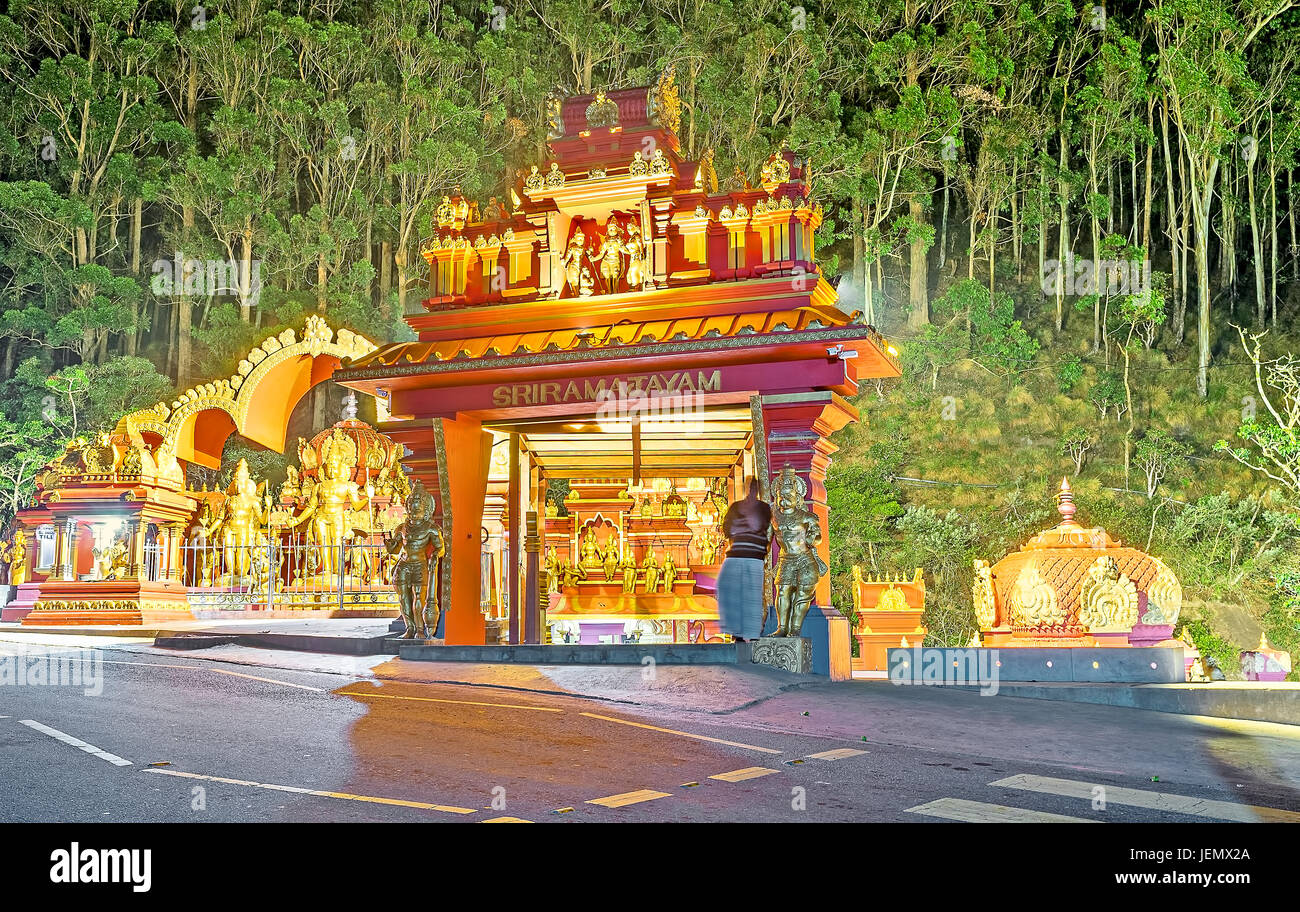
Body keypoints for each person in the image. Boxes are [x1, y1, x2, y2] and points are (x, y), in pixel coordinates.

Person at [717, 478, 771, 642]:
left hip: (754, 556)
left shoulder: (763, 508)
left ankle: (753, 635)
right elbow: (727, 529)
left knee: (752, 596)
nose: (751, 490)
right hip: (735, 554)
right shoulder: (735, 507)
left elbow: (758, 525)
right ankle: (737, 633)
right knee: (727, 590)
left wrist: (743, 523)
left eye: (754, 487)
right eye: (749, 486)